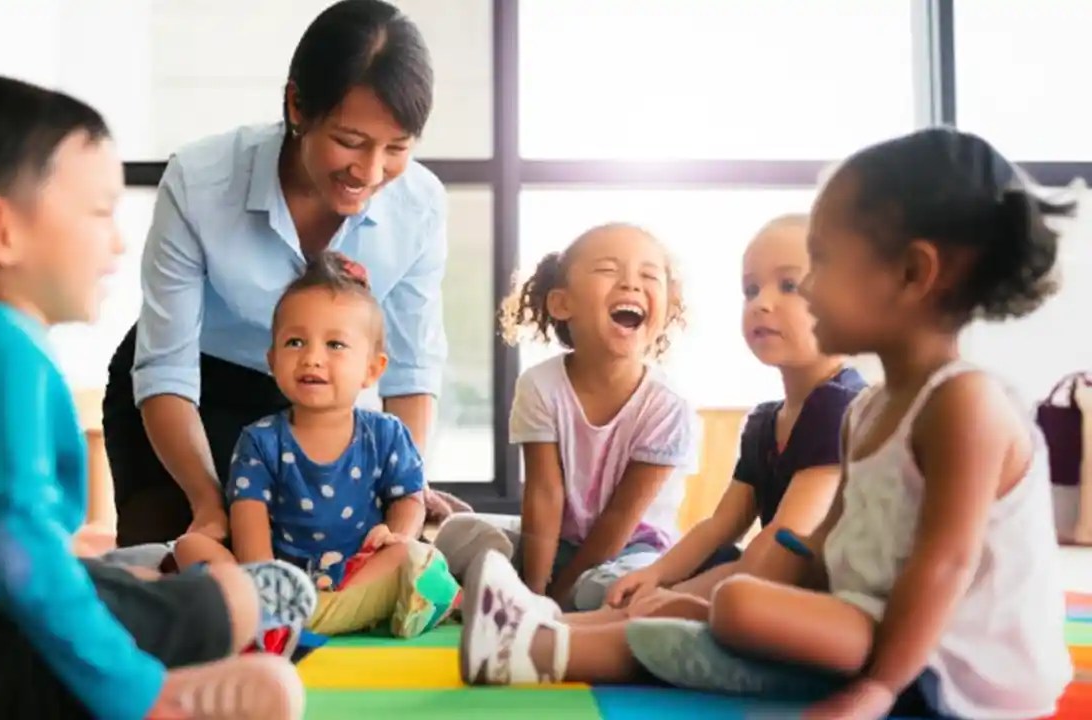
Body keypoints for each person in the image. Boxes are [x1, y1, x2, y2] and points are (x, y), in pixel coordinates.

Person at [458, 128, 1074, 720]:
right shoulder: (868, 410)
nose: (798, 290)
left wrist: (879, 687)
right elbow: (821, 541)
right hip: (863, 623)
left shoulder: (965, 404)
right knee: (711, 607)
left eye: (819, 266)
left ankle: (545, 644)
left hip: (956, 663)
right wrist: (691, 601)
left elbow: (945, 566)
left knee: (738, 607)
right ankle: (542, 634)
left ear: (912, 274)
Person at [0, 76, 315, 720]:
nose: (117, 242)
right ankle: (187, 675)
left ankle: (204, 633)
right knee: (214, 605)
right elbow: (21, 552)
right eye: (98, 213)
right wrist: (137, 698)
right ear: (0, 230)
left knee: (131, 583)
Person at [104, 0, 456, 548]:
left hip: (311, 399)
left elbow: (410, 370)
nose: (369, 172)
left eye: (396, 149)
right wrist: (208, 504)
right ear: (296, 104)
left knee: (352, 559)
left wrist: (402, 487)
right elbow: (165, 369)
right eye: (350, 141)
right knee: (178, 568)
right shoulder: (200, 181)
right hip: (191, 394)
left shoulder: (420, 206)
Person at [593, 214, 867, 619]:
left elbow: (784, 544)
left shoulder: (840, 407)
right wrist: (657, 575)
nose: (762, 303)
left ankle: (555, 634)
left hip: (823, 607)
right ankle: (561, 628)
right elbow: (722, 524)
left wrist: (678, 600)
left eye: (789, 286)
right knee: (694, 573)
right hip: (768, 584)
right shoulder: (764, 423)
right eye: (751, 289)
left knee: (658, 623)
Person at [175, 252, 459, 638]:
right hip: (281, 580)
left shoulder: (387, 433)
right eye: (295, 342)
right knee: (190, 547)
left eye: (335, 345)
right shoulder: (259, 440)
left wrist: (397, 534)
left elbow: (409, 498)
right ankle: (285, 610)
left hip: (357, 575)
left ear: (372, 369)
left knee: (416, 555)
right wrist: (266, 579)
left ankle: (304, 618)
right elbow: (249, 524)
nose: (311, 358)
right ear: (272, 361)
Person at [441, 223, 698, 612]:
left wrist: (554, 602)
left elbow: (619, 519)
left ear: (667, 310)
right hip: (561, 543)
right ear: (562, 304)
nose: (631, 285)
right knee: (455, 533)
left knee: (607, 590)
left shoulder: (668, 407)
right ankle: (516, 592)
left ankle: (530, 595)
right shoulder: (540, 386)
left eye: (648, 275)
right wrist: (534, 591)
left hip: (634, 550)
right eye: (608, 270)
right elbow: (544, 494)